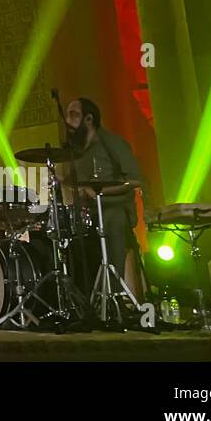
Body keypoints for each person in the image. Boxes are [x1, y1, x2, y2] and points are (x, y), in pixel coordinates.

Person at [62, 98, 143, 295]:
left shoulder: (112, 144)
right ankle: (81, 296)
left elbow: (135, 180)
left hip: (114, 208)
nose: (68, 120)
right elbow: (69, 183)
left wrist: (99, 192)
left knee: (112, 218)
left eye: (74, 114)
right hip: (87, 213)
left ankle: (114, 294)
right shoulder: (77, 152)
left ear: (89, 119)